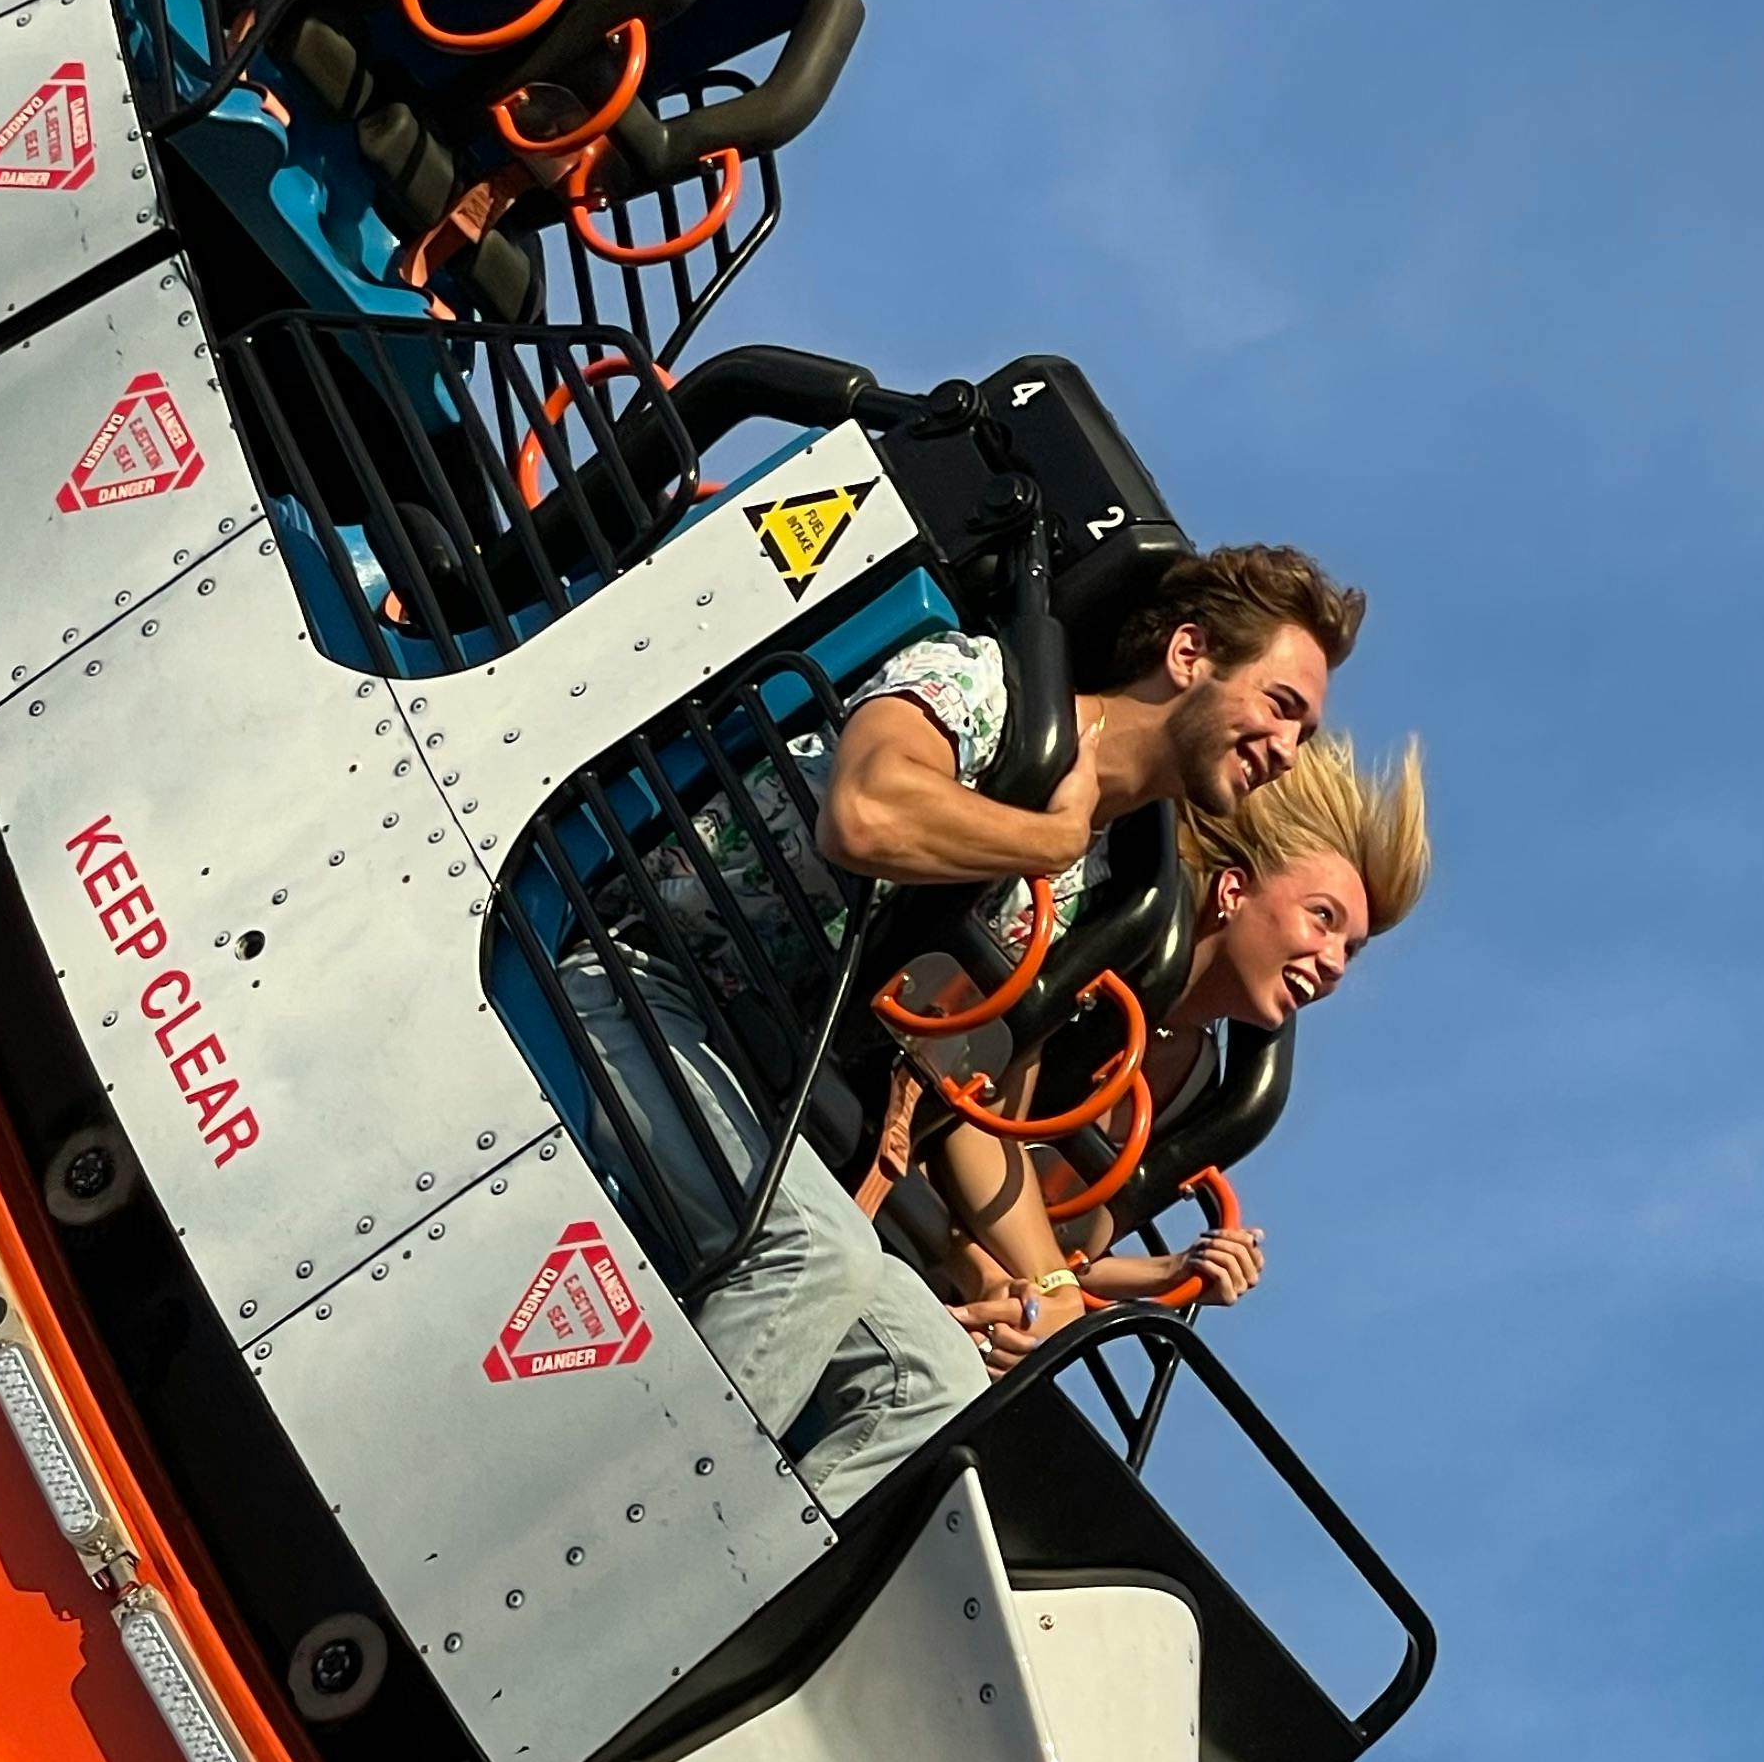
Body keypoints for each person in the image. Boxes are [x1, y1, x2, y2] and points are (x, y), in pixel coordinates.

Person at [552, 543, 1365, 1512]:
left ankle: (694, 1615)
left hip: (754, 1084)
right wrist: (1044, 836)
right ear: (1189, 652)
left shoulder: (1090, 891)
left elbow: (971, 1119)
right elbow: (863, 811)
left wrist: (1056, 1292)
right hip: (643, 986)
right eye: (1280, 706)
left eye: (1305, 732)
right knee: (818, 1257)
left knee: (932, 1383)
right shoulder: (987, 688)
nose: (1287, 748)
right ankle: (610, 1537)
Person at [916, 725, 1430, 1362]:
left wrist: (1172, 1273)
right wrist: (1033, 1284)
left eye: (1350, 953)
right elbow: (959, 1118)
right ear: (1233, 891)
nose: (1333, 964)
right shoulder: (1100, 941)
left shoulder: (1199, 1088)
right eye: (1322, 919)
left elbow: (1061, 1252)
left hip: (964, 1292)